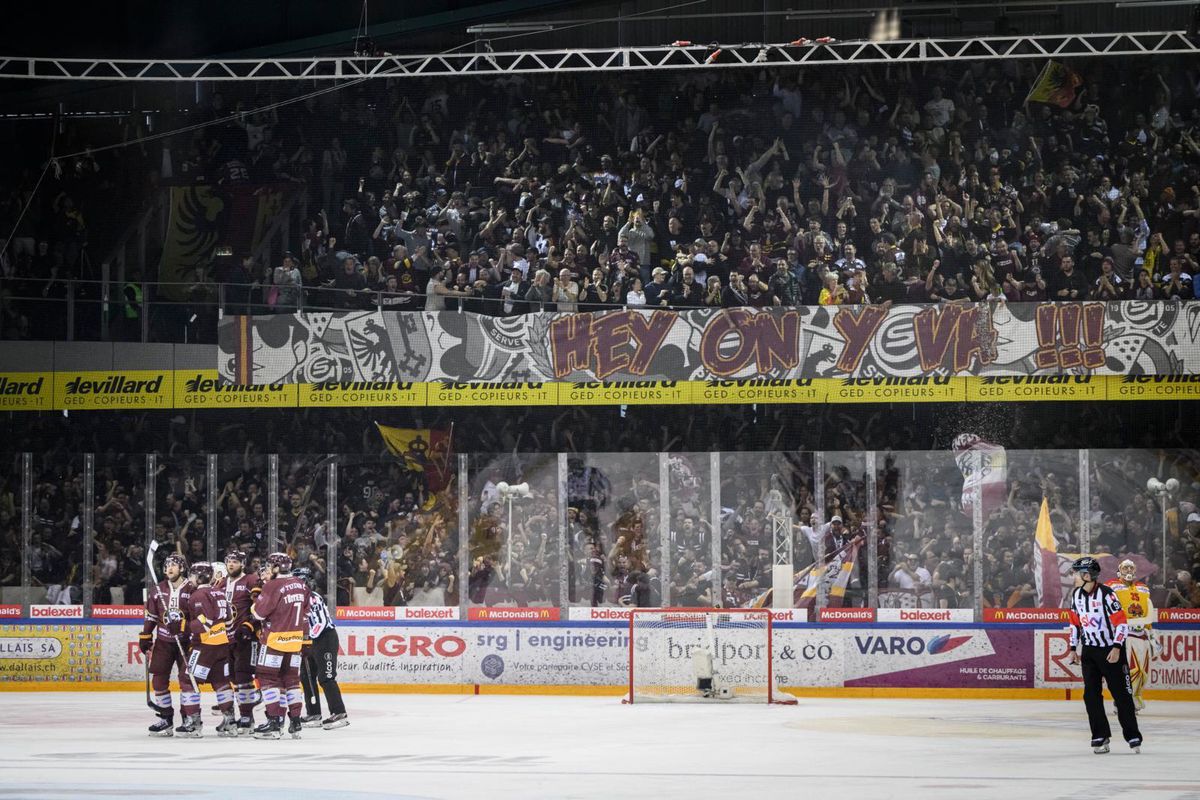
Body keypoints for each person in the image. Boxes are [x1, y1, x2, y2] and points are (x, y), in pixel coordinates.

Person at [1066, 556, 1142, 754]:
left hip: (1111, 651)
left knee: (1122, 694)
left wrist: (1117, 647)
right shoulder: (1075, 595)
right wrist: (1073, 649)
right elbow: (1074, 624)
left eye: (1077, 573)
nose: (1074, 577)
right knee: (1090, 695)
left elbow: (1121, 623)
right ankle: (1100, 735)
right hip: (1089, 651)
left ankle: (1132, 735)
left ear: (1087, 575)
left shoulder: (1107, 594)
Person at [251, 552, 312, 739]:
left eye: (270, 566)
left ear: (277, 568)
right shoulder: (301, 585)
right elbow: (306, 612)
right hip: (295, 641)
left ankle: (275, 722)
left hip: (275, 640)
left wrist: (257, 600)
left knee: (268, 680)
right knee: (291, 681)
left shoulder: (272, 585)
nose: (268, 570)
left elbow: (259, 614)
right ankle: (295, 722)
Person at [139, 553, 198, 737]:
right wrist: (146, 635)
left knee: (188, 681)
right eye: (166, 566)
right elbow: (152, 616)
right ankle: (166, 718)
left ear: (182, 568)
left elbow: (198, 617)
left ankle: (192, 720)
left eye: (173, 565)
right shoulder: (158, 589)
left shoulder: (192, 588)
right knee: (158, 680)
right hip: (164, 641)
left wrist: (187, 628)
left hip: (187, 642)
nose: (168, 569)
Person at [180, 562, 236, 737]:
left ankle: (193, 723)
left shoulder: (198, 595)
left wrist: (183, 626)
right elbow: (228, 621)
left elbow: (206, 623)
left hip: (204, 646)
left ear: (199, 577)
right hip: (222, 645)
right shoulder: (219, 592)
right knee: (221, 682)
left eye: (192, 576)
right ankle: (230, 722)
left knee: (188, 679)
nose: (190, 579)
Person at [294, 567, 349, 730]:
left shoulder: (313, 598)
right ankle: (314, 714)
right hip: (310, 641)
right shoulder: (297, 600)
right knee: (306, 676)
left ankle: (339, 713)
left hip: (325, 638)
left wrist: (304, 637)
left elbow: (320, 624)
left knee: (326, 677)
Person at [217, 549, 262, 734]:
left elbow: (260, 606)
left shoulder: (250, 580)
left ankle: (247, 717)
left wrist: (249, 626)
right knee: (231, 678)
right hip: (224, 639)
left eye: (235, 561)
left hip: (246, 637)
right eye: (229, 561)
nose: (231, 564)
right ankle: (232, 716)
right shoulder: (220, 583)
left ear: (242, 564)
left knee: (244, 677)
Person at [1105, 559, 1158, 711]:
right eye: (1125, 567)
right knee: (1127, 669)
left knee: (1142, 671)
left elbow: (1148, 610)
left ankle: (1135, 698)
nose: (1128, 570)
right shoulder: (1111, 586)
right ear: (1119, 570)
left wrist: (1152, 634)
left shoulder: (1144, 588)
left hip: (1142, 634)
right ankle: (1121, 700)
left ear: (1135, 571)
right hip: (1124, 634)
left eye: (1131, 567)